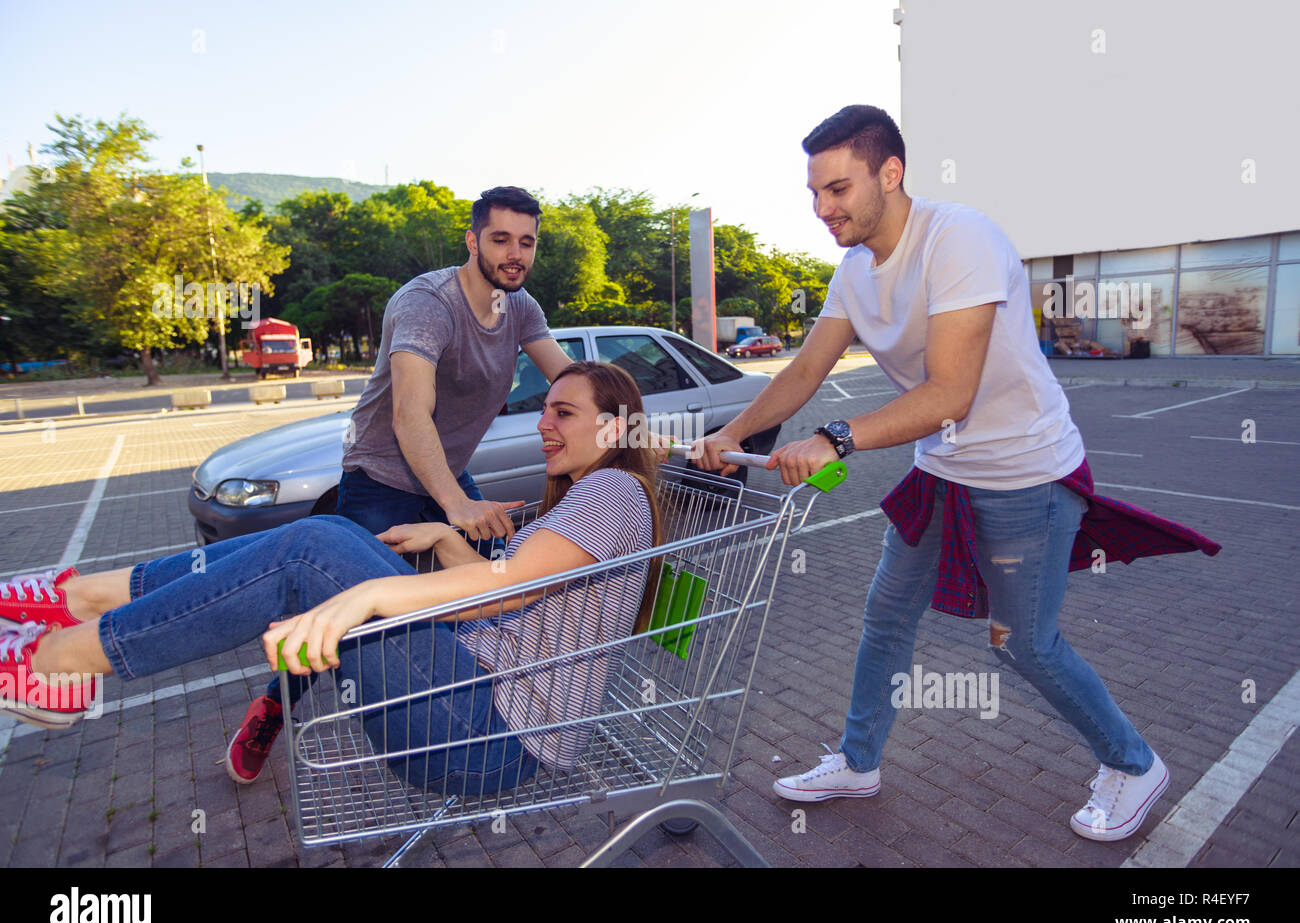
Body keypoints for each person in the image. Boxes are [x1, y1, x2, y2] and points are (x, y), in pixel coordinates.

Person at [696, 105, 1220, 842]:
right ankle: (857, 758)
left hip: (1025, 472)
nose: (823, 209)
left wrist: (836, 438)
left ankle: (1133, 763)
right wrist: (732, 432)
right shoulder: (853, 272)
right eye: (813, 193)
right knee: (886, 613)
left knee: (1022, 643)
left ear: (890, 172)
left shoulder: (959, 238)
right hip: (945, 471)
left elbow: (951, 393)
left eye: (838, 189)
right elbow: (808, 368)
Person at [0, 362, 660, 794]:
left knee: (316, 549)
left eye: (562, 412)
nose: (543, 421)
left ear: (612, 424)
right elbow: (513, 589)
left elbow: (510, 588)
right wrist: (446, 538)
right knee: (335, 535)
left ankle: (62, 656)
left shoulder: (610, 490)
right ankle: (80, 598)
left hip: (487, 733)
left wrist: (366, 595)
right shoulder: (594, 493)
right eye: (545, 407)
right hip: (470, 702)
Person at [246, 186, 575, 782]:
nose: (514, 254)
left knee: (475, 589)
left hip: (447, 478)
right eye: (500, 239)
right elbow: (408, 415)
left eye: (526, 242)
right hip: (381, 477)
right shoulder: (427, 302)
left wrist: (629, 424)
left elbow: (573, 381)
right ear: (473, 240)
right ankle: (274, 705)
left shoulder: (521, 307)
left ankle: (460, 702)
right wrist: (456, 504)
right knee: (348, 609)